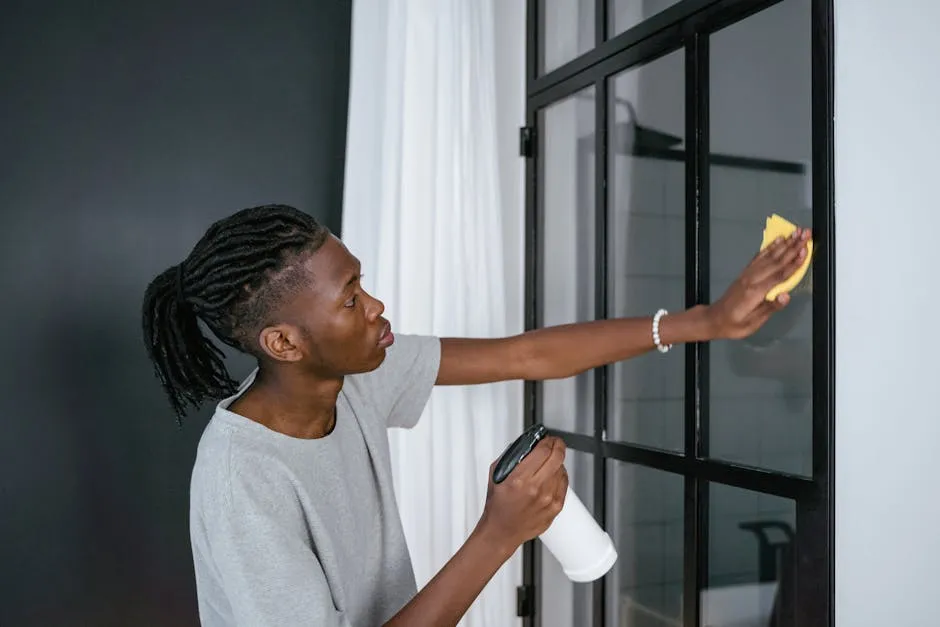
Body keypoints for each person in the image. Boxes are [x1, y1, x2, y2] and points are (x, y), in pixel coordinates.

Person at [141, 204, 811, 627]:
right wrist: (499, 531)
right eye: (350, 299)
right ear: (284, 342)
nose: (376, 307)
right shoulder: (243, 483)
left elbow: (526, 352)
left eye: (362, 282)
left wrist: (706, 322)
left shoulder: (349, 379)